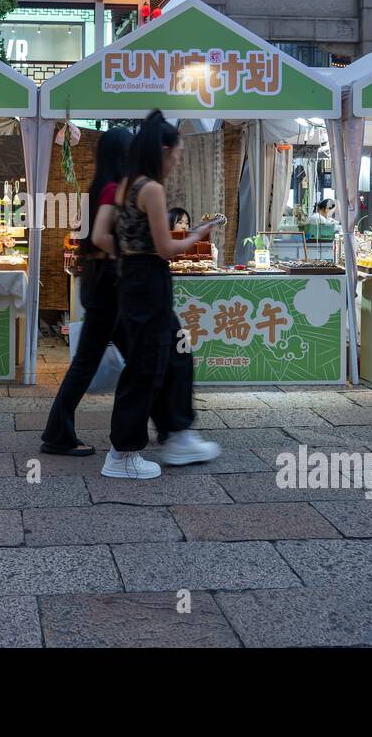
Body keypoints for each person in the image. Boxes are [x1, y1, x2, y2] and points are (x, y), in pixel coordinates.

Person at [104, 111, 223, 480]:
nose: (178, 160)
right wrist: (198, 234)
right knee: (147, 366)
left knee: (175, 356)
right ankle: (122, 454)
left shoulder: (126, 184)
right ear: (164, 150)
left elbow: (111, 238)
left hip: (134, 279)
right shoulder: (152, 189)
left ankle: (178, 433)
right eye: (178, 154)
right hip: (149, 281)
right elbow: (165, 248)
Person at [41, 127, 133, 457]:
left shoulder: (98, 188)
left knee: (136, 359)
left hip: (100, 285)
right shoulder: (112, 188)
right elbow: (100, 237)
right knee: (92, 364)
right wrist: (127, 252)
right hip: (109, 288)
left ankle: (161, 423)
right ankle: (58, 434)